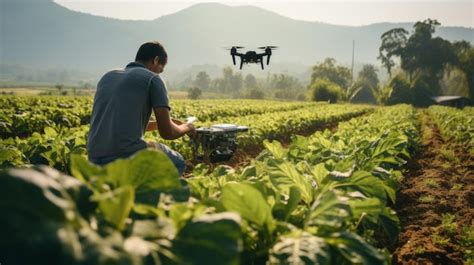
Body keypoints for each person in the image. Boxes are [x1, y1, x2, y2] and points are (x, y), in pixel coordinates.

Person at [87, 41, 195, 176]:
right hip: (125, 155)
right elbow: (168, 133)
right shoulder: (152, 79)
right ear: (156, 60)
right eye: (160, 70)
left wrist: (166, 122)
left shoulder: (108, 76)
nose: (159, 74)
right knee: (177, 162)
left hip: (94, 157)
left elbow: (121, 123)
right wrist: (187, 127)